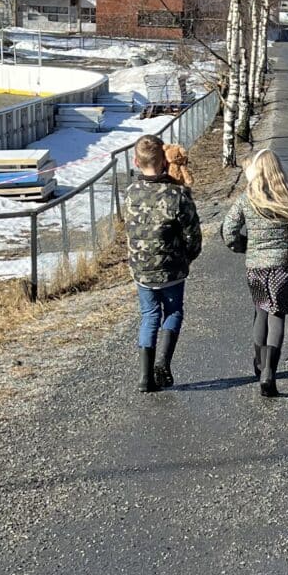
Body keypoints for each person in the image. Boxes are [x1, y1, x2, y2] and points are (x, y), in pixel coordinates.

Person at [221, 149, 288, 399]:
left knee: (260, 310)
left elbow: (228, 231)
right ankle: (270, 371)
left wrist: (243, 246)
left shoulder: (247, 198)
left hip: (256, 267)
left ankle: (259, 363)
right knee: (277, 315)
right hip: (282, 266)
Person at [124, 133, 202, 394]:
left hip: (141, 267)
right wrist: (187, 256)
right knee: (173, 312)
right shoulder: (176, 195)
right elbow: (193, 233)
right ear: (165, 162)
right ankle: (163, 363)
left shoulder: (130, 192)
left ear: (136, 161)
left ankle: (145, 377)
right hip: (171, 266)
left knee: (149, 315)